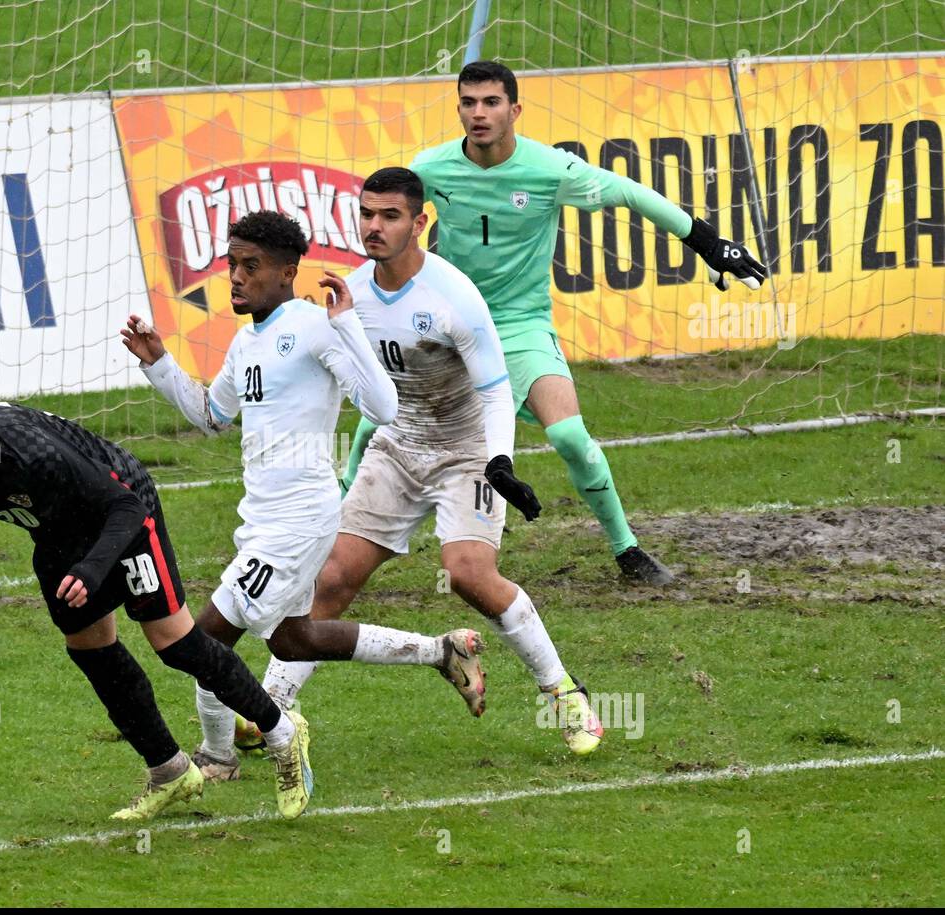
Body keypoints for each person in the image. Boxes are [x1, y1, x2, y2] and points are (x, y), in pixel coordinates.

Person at [344, 60, 768, 587]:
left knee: (568, 435)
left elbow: (630, 193)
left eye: (491, 102)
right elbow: (392, 218)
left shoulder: (549, 170)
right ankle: (329, 537)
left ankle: (627, 550)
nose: (479, 114)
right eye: (469, 102)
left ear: (514, 109)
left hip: (521, 328)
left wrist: (707, 242)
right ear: (458, 108)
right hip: (449, 330)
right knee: (373, 424)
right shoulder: (430, 169)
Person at [121, 210, 487, 784]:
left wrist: (347, 327)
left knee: (204, 637)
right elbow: (213, 416)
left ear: (288, 271)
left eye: (251, 266)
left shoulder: (316, 328)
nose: (236, 278)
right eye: (232, 266)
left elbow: (383, 407)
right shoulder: (246, 341)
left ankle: (217, 758)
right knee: (295, 639)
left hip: (302, 517)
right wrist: (160, 364)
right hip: (262, 519)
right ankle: (442, 651)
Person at [257, 167, 604, 756]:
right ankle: (268, 711)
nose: (374, 226)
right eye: (367, 214)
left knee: (469, 573)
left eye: (390, 216)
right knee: (332, 579)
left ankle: (563, 692)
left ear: (419, 223)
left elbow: (496, 389)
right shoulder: (351, 294)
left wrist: (499, 463)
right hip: (397, 446)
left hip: (466, 450)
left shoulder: (455, 296)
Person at [0, 402, 315, 820]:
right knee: (90, 649)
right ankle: (170, 771)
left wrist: (91, 570)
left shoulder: (29, 454)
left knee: (175, 644)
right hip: (59, 532)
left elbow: (124, 506)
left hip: (121, 511)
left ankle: (282, 736)